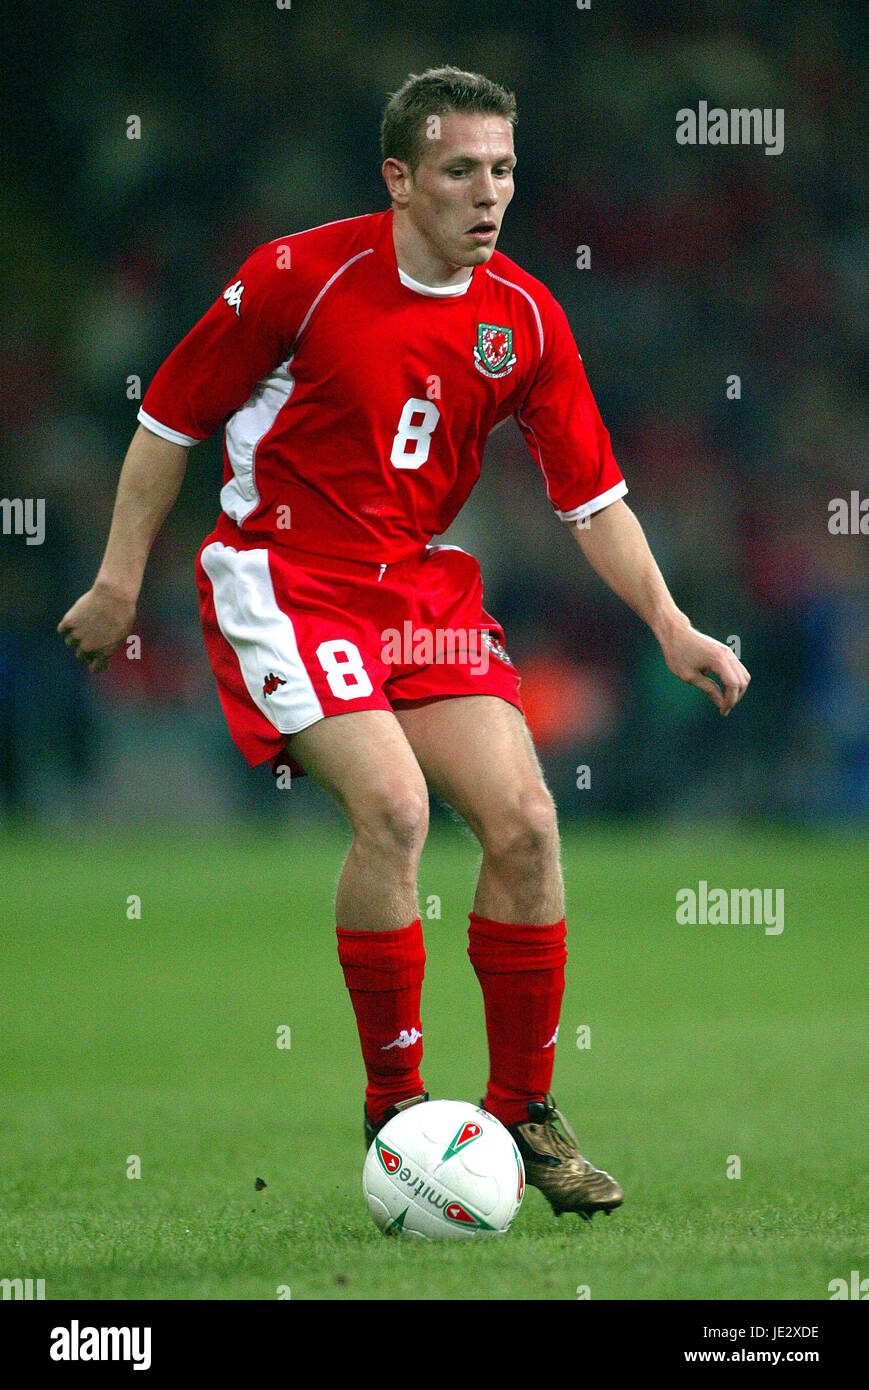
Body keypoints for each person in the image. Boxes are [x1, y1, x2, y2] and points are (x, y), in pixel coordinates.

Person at [58, 66, 750, 1221]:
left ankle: (524, 1113)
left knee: (526, 823)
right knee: (394, 807)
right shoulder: (296, 274)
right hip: (283, 580)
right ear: (399, 177)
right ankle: (395, 1111)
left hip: (418, 593)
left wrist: (670, 625)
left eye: (504, 171)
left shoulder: (524, 315)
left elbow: (593, 499)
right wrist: (118, 580)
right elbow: (167, 419)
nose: (488, 195)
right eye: (459, 171)